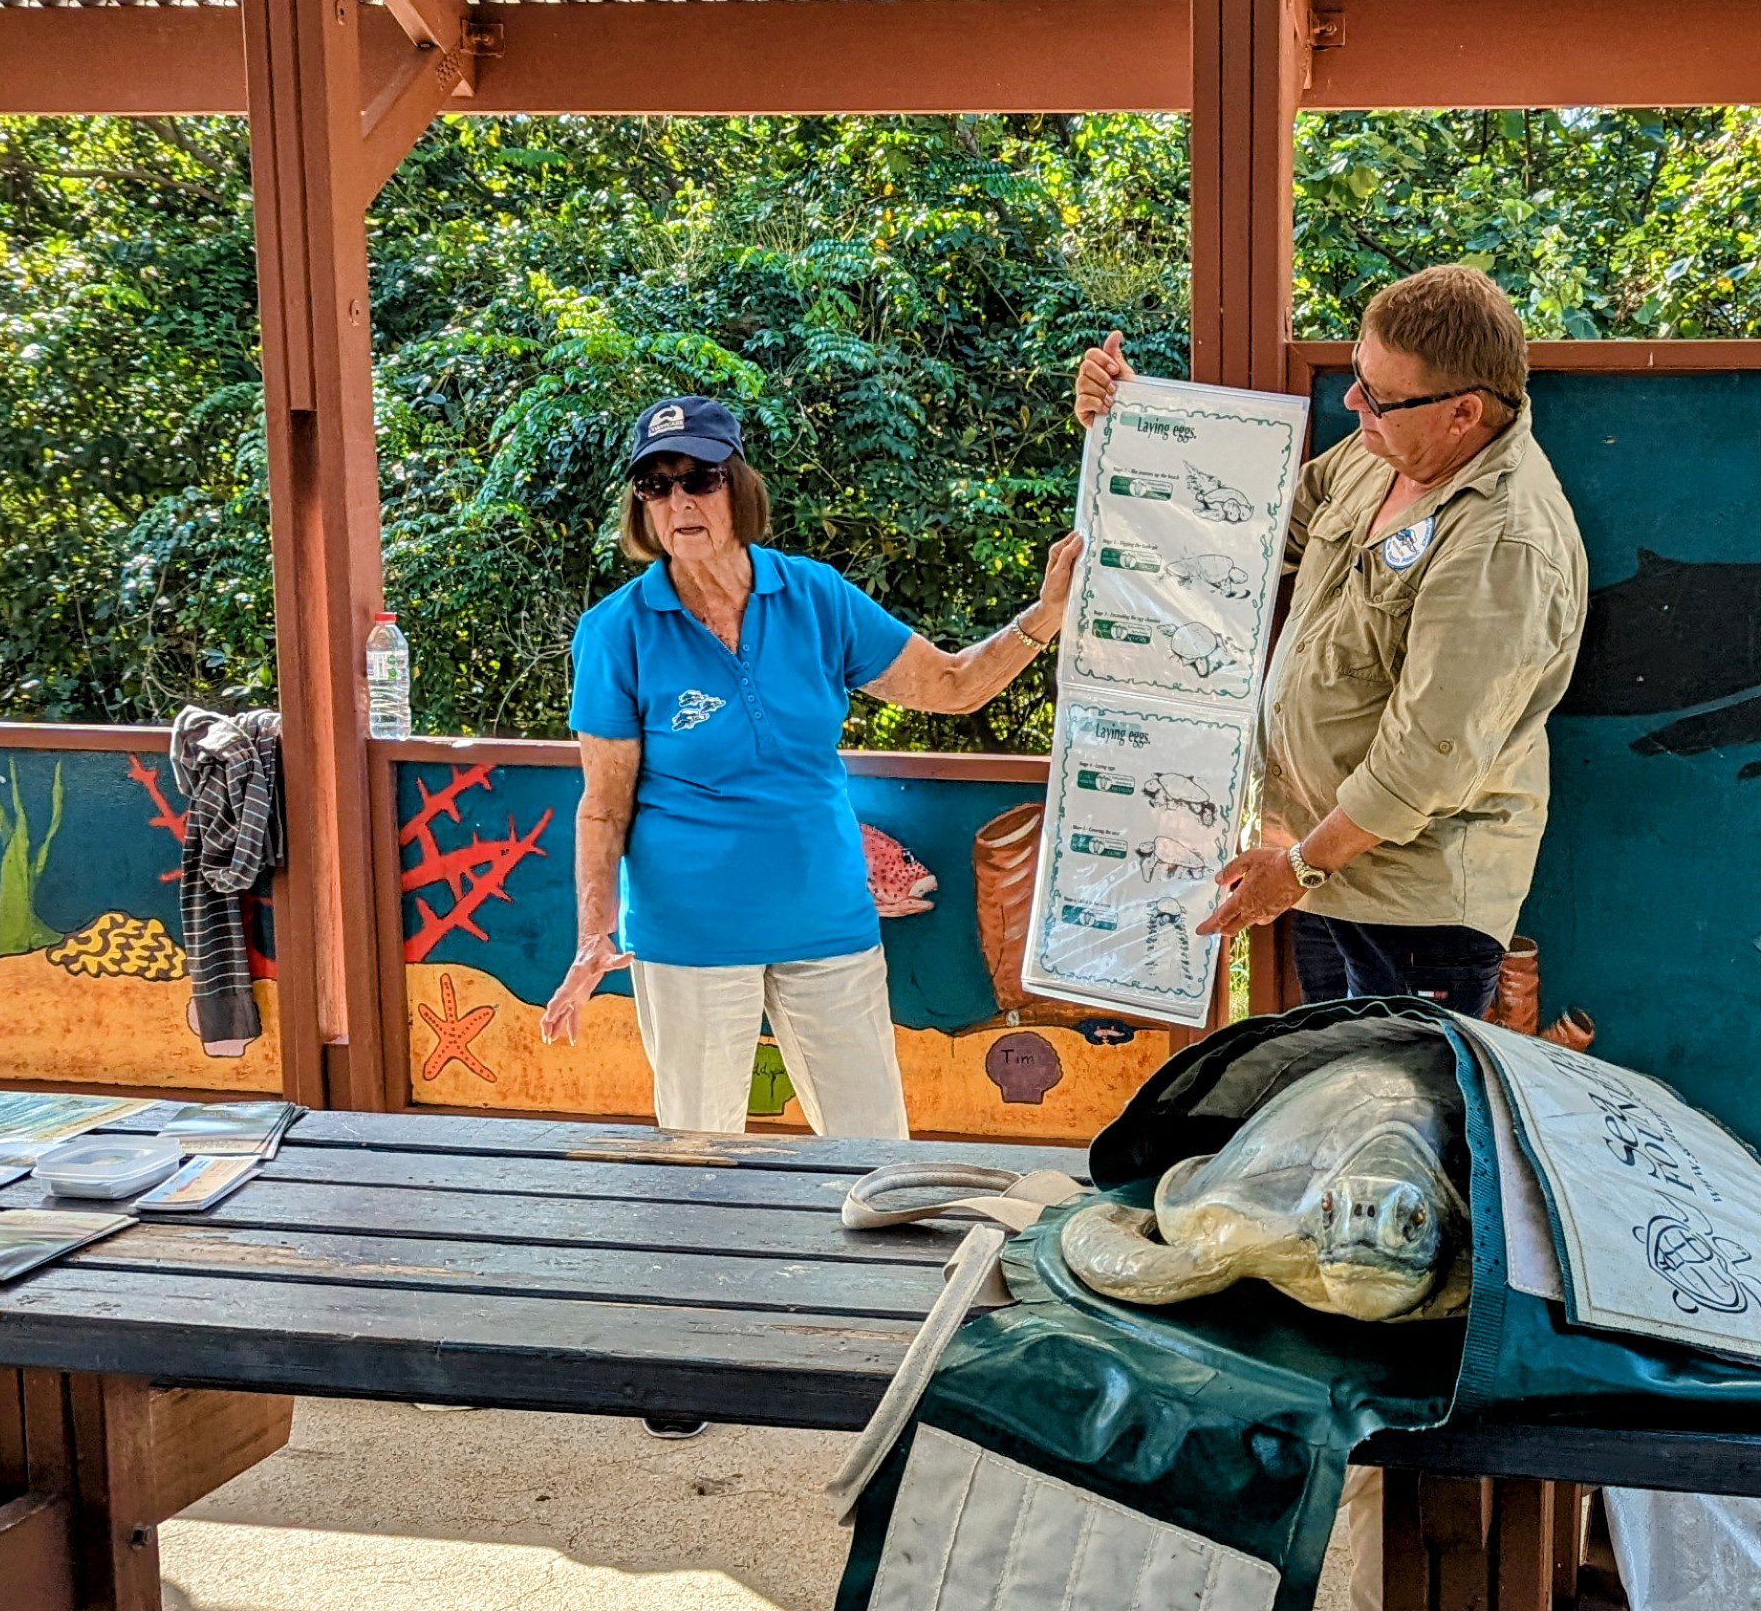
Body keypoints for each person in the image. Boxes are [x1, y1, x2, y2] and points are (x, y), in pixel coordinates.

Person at [541, 394, 1082, 1144]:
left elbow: (954, 687)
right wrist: (590, 937)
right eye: (656, 486)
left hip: (828, 922)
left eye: (699, 478)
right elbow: (602, 807)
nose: (678, 501)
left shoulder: (815, 597)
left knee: (873, 1155)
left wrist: (1045, 615)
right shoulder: (615, 632)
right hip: (688, 935)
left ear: (739, 489)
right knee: (699, 1162)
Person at [1074, 264, 1587, 1017]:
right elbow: (1246, 528)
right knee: (1332, 1094)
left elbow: (1423, 764)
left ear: (1462, 412)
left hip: (1415, 904)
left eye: (1377, 394)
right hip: (1320, 863)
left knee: (1399, 1121)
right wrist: (1129, 426)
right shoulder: (1378, 453)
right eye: (1356, 375)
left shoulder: (1503, 541)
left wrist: (1297, 870)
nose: (1352, 402)